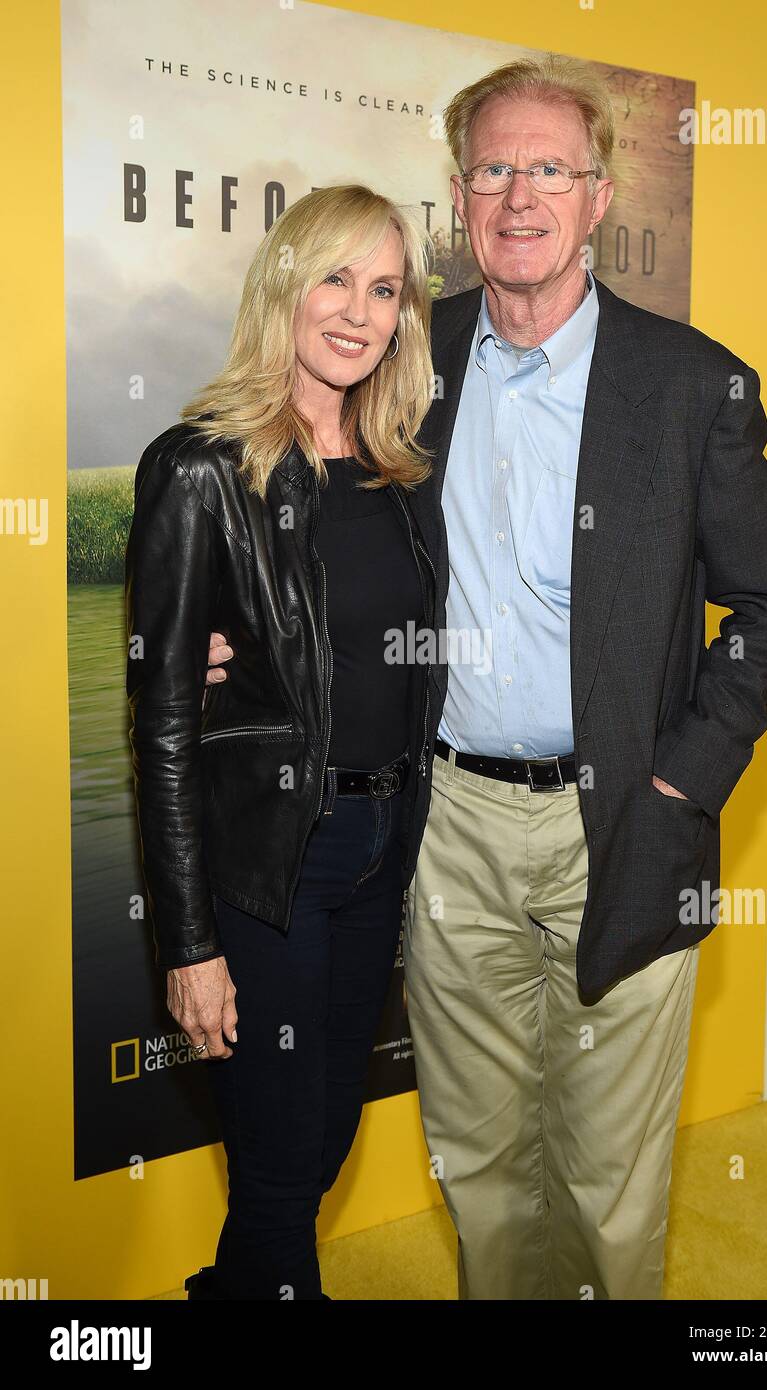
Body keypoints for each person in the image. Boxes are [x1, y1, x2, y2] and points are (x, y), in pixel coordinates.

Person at [206, 55, 767, 1300]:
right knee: (479, 1163)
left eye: (551, 167)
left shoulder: (695, 383)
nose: (521, 193)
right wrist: (229, 630)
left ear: (598, 199)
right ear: (458, 194)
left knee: (608, 1183)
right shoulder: (405, 359)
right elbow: (289, 501)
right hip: (447, 830)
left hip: (627, 824)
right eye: (495, 167)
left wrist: (677, 783)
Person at [124, 184, 436, 1300]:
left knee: (321, 1138)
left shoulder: (404, 474)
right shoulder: (200, 467)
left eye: (385, 287)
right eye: (335, 278)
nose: (358, 310)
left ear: (406, 314)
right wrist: (188, 942)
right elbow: (161, 727)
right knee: (274, 1171)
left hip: (381, 849)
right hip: (271, 867)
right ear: (284, 289)